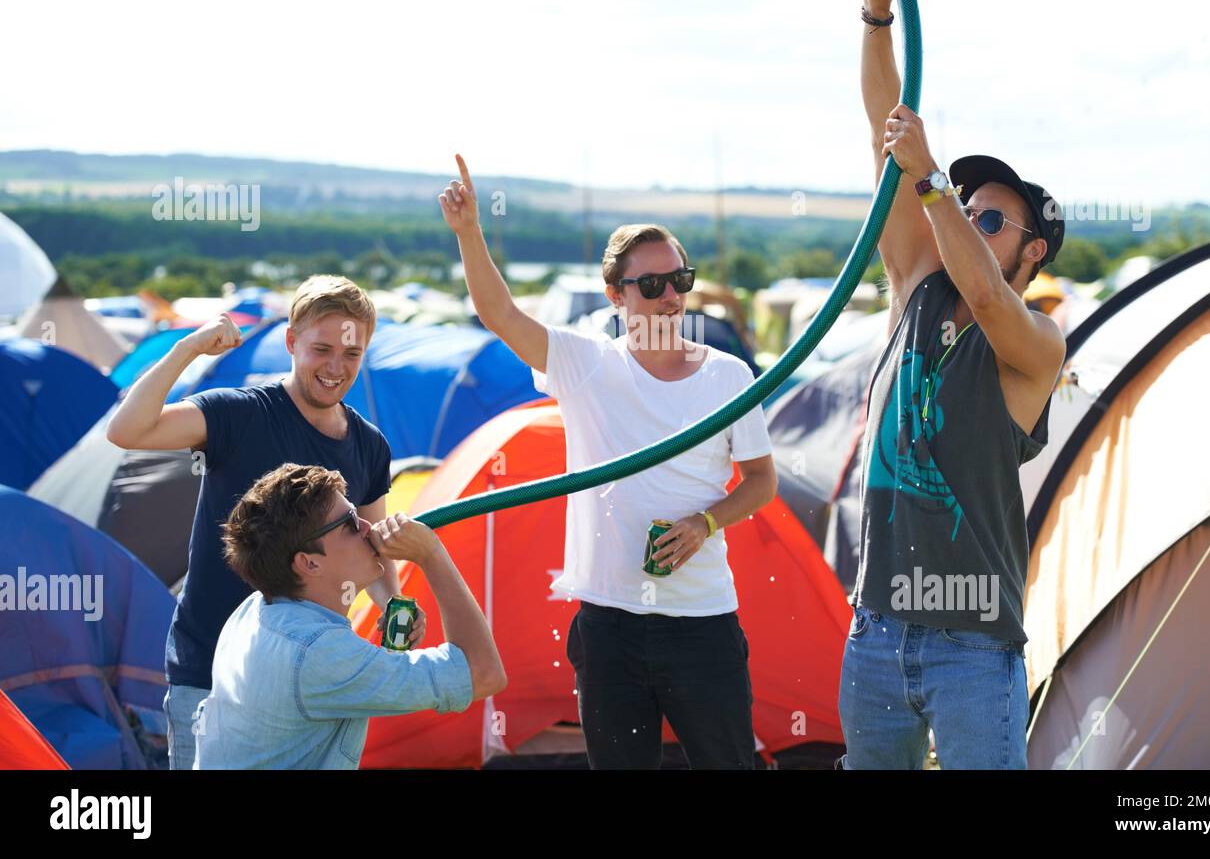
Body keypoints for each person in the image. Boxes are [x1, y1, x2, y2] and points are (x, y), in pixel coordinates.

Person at [438, 155, 778, 769]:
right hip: (610, 626)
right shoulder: (588, 362)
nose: (670, 296)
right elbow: (501, 316)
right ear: (615, 296)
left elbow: (760, 483)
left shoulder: (728, 376)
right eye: (651, 285)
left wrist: (703, 525)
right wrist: (469, 233)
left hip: (703, 623)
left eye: (681, 279)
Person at [838, 0, 1067, 769]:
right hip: (877, 628)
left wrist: (933, 178)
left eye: (992, 218)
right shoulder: (915, 285)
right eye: (969, 207)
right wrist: (875, 10)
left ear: (1033, 249)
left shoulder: (1035, 341)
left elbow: (985, 291)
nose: (970, 217)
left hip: (975, 645)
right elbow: (882, 125)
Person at [106, 275, 425, 770]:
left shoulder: (369, 445)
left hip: (303, 679)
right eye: (321, 349)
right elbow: (126, 430)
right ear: (291, 341)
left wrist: (393, 604)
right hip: (210, 673)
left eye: (352, 354)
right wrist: (190, 347)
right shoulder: (238, 413)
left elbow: (373, 548)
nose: (336, 368)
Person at [193, 463, 506, 769]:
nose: (368, 527)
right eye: (350, 523)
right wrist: (431, 554)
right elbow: (483, 674)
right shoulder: (318, 652)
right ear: (310, 564)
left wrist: (390, 645)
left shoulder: (254, 610)